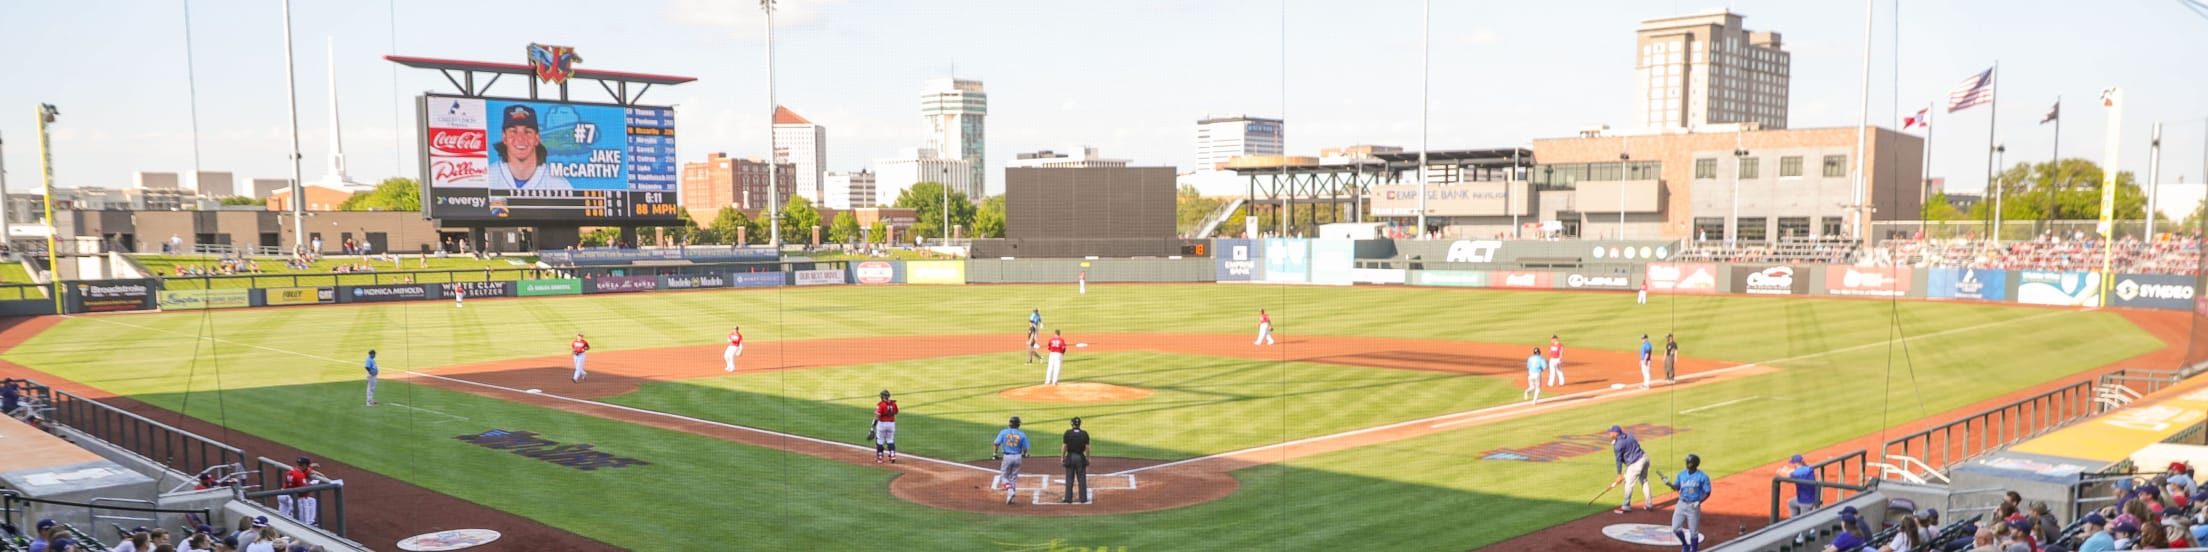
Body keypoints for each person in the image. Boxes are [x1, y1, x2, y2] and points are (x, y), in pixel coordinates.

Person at [487, 104, 573, 190]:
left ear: (537, 138)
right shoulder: (488, 177)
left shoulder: (558, 183)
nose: (520, 139)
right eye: (513, 131)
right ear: (504, 138)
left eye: (527, 132)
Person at [1666, 453, 1712, 552]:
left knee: (1693, 532)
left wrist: (1699, 502)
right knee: (1675, 528)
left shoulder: (1702, 476)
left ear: (1693, 464)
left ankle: (1694, 550)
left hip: (1693, 506)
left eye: (1688, 462)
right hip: (1681, 503)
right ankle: (1685, 545)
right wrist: (1669, 484)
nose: (1686, 463)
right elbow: (1677, 487)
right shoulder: (1681, 474)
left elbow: (1707, 492)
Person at [1609, 425, 1653, 513]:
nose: (1609, 434)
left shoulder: (1618, 445)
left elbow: (1619, 460)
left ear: (1616, 433)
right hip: (1645, 458)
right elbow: (1637, 445)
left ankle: (1626, 506)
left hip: (1636, 463)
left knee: (1628, 483)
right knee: (1644, 481)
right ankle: (1649, 504)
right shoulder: (1630, 435)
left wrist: (1619, 474)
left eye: (1611, 432)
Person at [992, 416, 1030, 505]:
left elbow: (996, 443)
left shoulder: (1003, 432)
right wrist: (1025, 454)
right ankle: (1011, 498)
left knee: (1004, 477)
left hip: (1007, 457)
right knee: (1013, 477)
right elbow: (1025, 448)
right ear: (1018, 425)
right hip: (1018, 457)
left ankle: (1009, 490)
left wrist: (995, 454)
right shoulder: (1022, 434)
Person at [1061, 416, 1092, 504]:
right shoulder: (1084, 434)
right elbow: (1087, 447)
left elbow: (1064, 446)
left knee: (1069, 479)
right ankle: (1083, 498)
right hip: (1080, 458)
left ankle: (1068, 498)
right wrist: (1088, 458)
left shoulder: (1068, 433)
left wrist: (1062, 457)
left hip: (1070, 457)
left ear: (1072, 424)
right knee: (1082, 479)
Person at [872, 390, 899, 464]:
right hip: (891, 424)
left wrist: (872, 427)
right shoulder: (893, 403)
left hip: (882, 424)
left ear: (882, 397)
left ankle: (880, 457)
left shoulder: (881, 404)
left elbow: (877, 416)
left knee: (880, 440)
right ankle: (892, 455)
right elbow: (896, 412)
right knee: (890, 439)